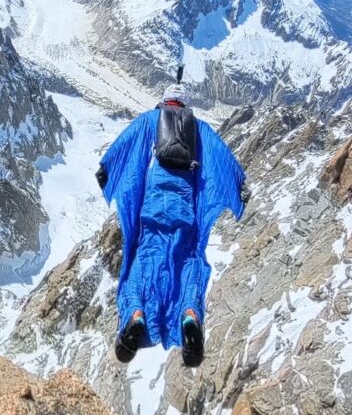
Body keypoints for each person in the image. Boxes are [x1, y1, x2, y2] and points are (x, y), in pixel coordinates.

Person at [95, 82, 245, 368]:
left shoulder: (150, 122)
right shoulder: (199, 130)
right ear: (185, 105)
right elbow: (222, 159)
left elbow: (123, 148)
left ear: (164, 101)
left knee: (139, 268)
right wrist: (240, 187)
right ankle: (189, 314)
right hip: (184, 211)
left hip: (151, 210)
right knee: (189, 265)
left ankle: (135, 315)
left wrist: (106, 170)